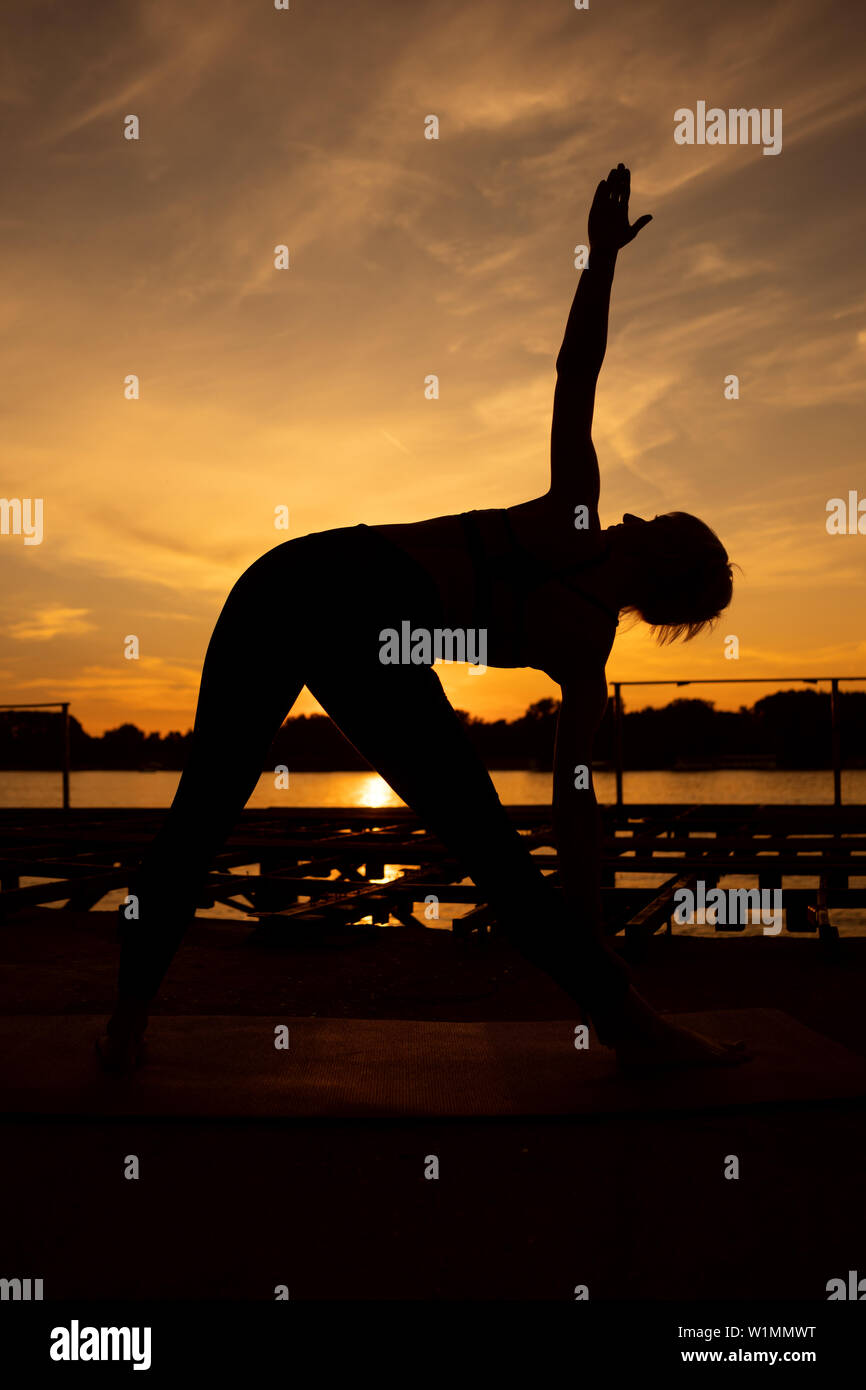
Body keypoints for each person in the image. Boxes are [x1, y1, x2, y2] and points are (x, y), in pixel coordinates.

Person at [98, 164, 746, 1075]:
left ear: (660, 543)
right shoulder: (584, 656)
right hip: (349, 601)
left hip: (298, 581)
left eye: (661, 518)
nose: (644, 512)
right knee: (490, 851)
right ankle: (633, 1027)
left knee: (199, 819)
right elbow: (574, 806)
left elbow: (576, 373)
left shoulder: (578, 523)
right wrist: (593, 930)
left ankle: (125, 1029)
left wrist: (601, 262)